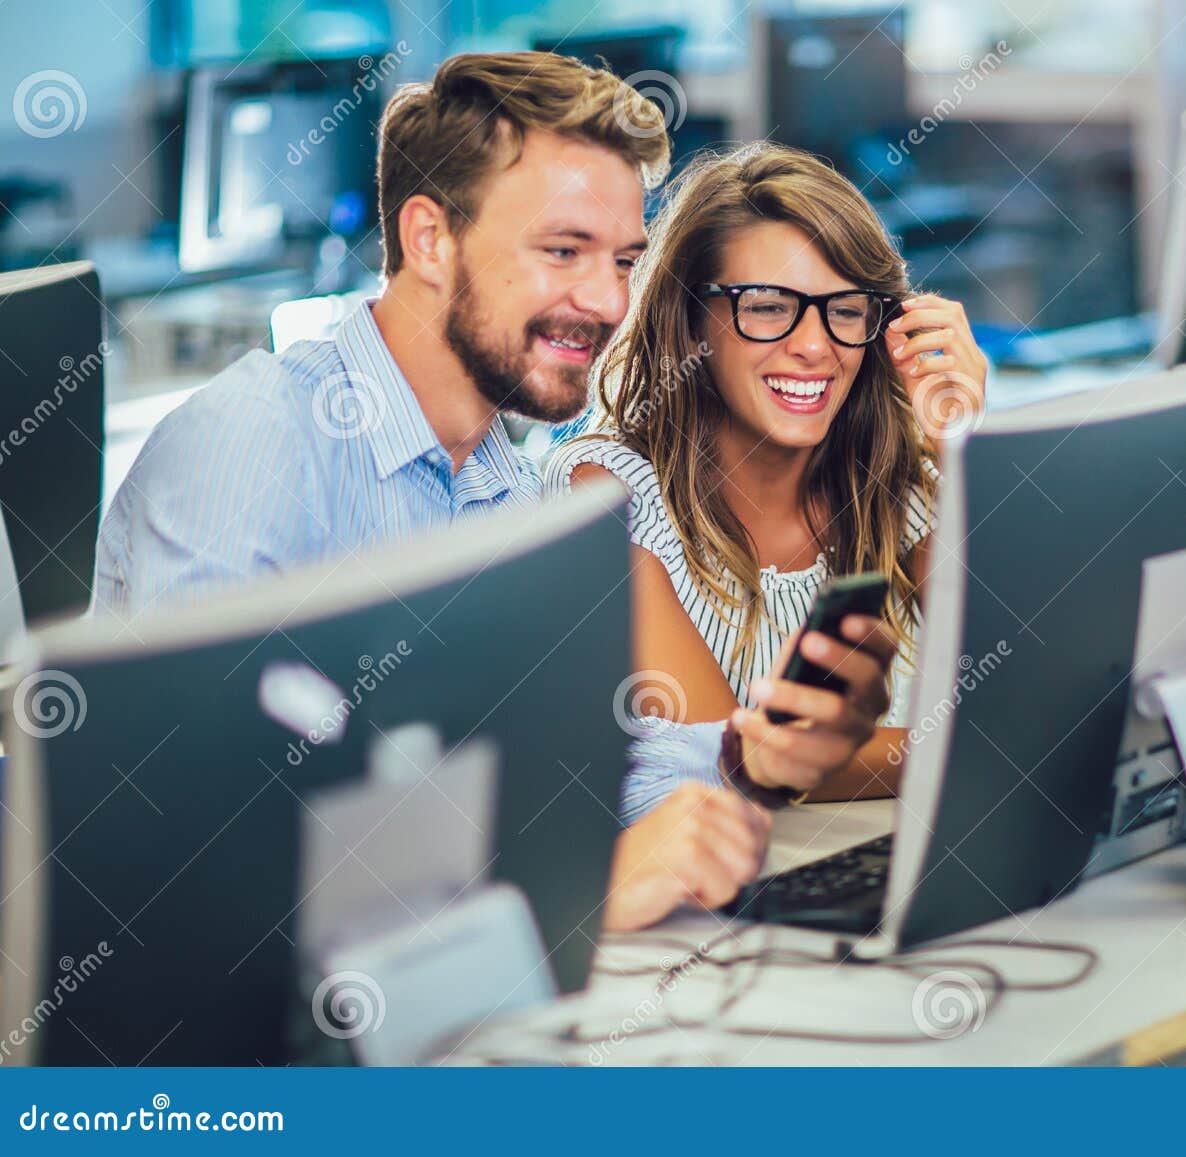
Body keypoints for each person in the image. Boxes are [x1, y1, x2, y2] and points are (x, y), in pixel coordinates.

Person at [91, 54, 898, 932]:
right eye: (563, 250)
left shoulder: (502, 482)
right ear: (430, 238)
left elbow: (602, 759)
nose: (606, 300)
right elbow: (204, 831)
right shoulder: (257, 437)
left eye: (624, 259)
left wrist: (758, 756)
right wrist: (579, 880)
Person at [545, 143, 987, 802]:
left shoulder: (902, 488)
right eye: (767, 305)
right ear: (690, 317)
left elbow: (1029, 680)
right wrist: (970, 747)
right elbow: (735, 761)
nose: (813, 346)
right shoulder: (606, 497)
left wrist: (959, 448)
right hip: (737, 895)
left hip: (895, 864)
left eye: (844, 309)